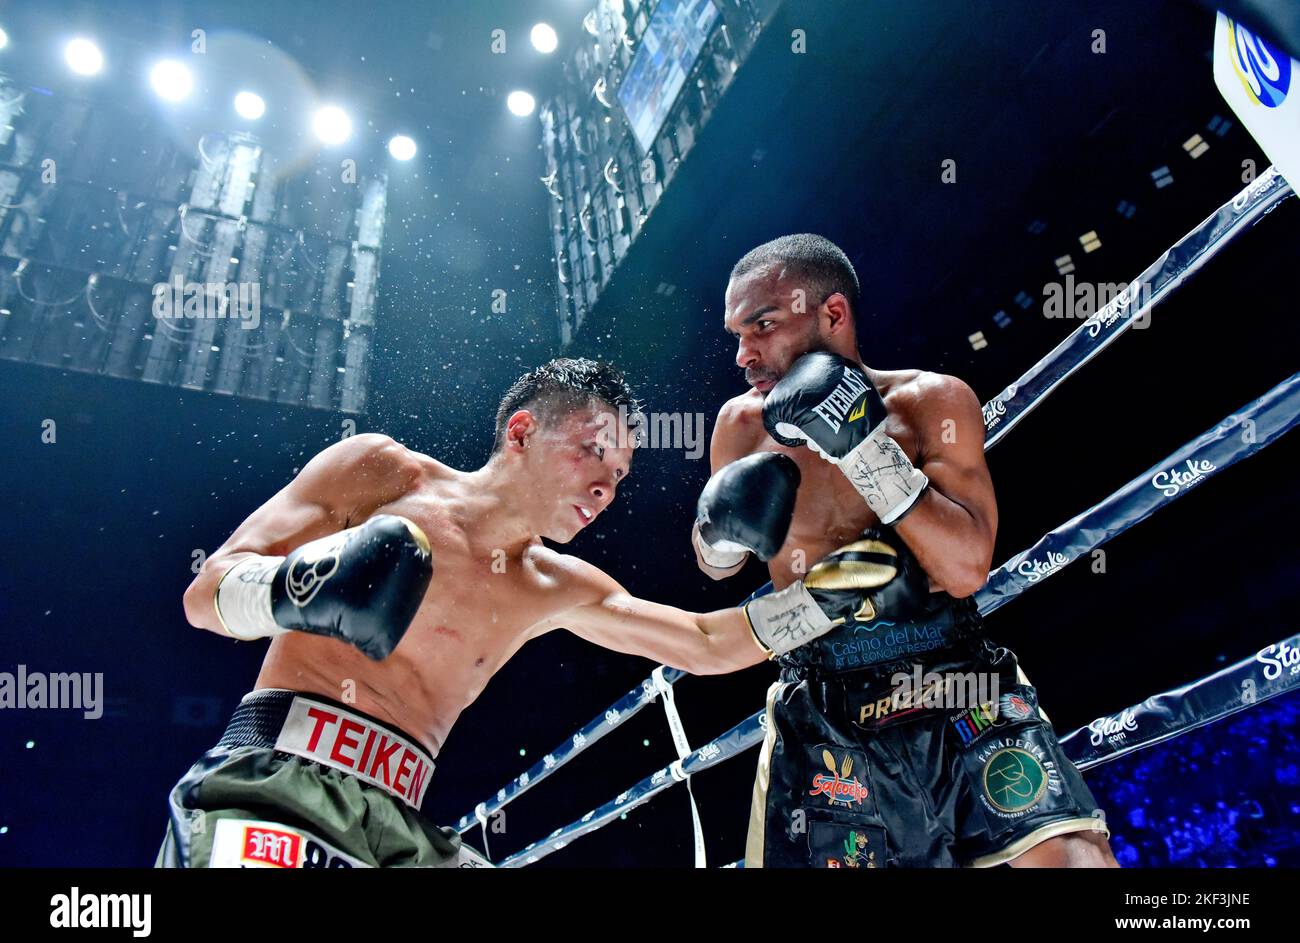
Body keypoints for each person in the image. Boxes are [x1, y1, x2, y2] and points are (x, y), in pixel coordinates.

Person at [158, 357, 914, 868]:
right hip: (276, 780)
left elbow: (701, 640)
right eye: (593, 454)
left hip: (398, 820)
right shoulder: (380, 472)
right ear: (522, 431)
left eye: (619, 476)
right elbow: (205, 593)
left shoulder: (554, 583)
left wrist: (820, 601)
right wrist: (299, 585)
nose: (605, 490)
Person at [692, 233, 1117, 867]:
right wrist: (720, 531)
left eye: (763, 325)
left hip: (955, 676)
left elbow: (966, 567)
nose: (744, 353)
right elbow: (716, 565)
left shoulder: (930, 402)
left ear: (832, 314)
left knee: (1074, 861)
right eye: (736, 335)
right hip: (825, 703)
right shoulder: (741, 425)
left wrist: (865, 451)